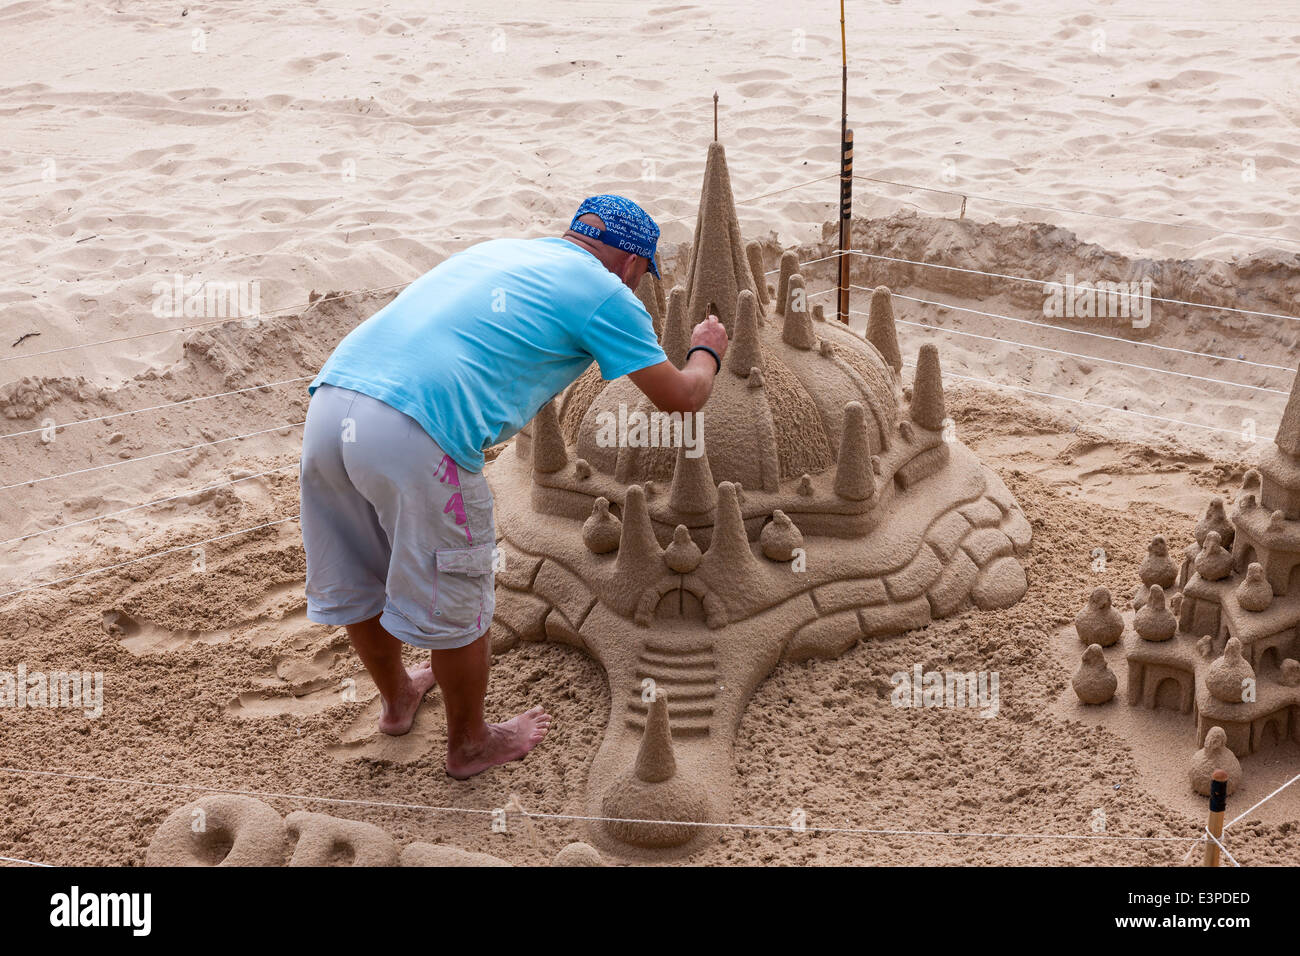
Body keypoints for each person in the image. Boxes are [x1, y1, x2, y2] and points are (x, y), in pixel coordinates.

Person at [299, 195, 730, 778]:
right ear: (632, 264)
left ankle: (398, 697)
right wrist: (706, 350)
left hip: (331, 405)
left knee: (362, 569)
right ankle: (471, 743)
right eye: (640, 276)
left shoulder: (502, 253)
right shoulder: (609, 294)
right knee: (458, 588)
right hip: (415, 429)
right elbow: (682, 398)